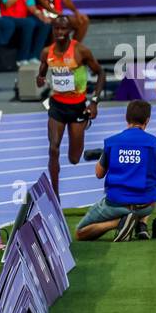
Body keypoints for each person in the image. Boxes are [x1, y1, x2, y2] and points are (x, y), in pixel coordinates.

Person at [75, 100, 156, 242]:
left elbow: (99, 174)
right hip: (146, 205)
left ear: (126, 118)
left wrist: (105, 154)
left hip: (116, 204)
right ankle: (141, 224)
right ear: (147, 120)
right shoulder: (153, 142)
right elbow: (154, 174)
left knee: (80, 232)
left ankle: (117, 223)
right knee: (150, 184)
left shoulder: (112, 142)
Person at [36, 15, 104, 199]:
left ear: (69, 31)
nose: (59, 32)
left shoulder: (80, 51)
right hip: (57, 106)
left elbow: (100, 73)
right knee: (53, 149)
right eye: (56, 29)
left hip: (78, 108)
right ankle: (55, 196)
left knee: (74, 159)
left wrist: (94, 102)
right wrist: (40, 78)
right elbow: (42, 70)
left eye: (63, 29)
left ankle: (85, 124)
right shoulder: (47, 53)